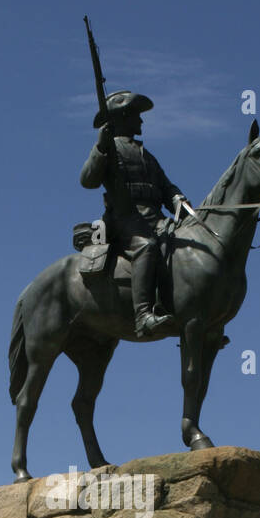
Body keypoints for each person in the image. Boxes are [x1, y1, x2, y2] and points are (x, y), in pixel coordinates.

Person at [80, 90, 188, 337]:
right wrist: (100, 147)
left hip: (154, 216)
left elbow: (165, 185)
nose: (141, 121)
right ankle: (143, 315)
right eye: (137, 116)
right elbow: (87, 180)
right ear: (124, 117)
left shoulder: (145, 155)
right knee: (146, 246)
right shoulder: (108, 149)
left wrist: (177, 200)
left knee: (182, 246)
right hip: (124, 218)